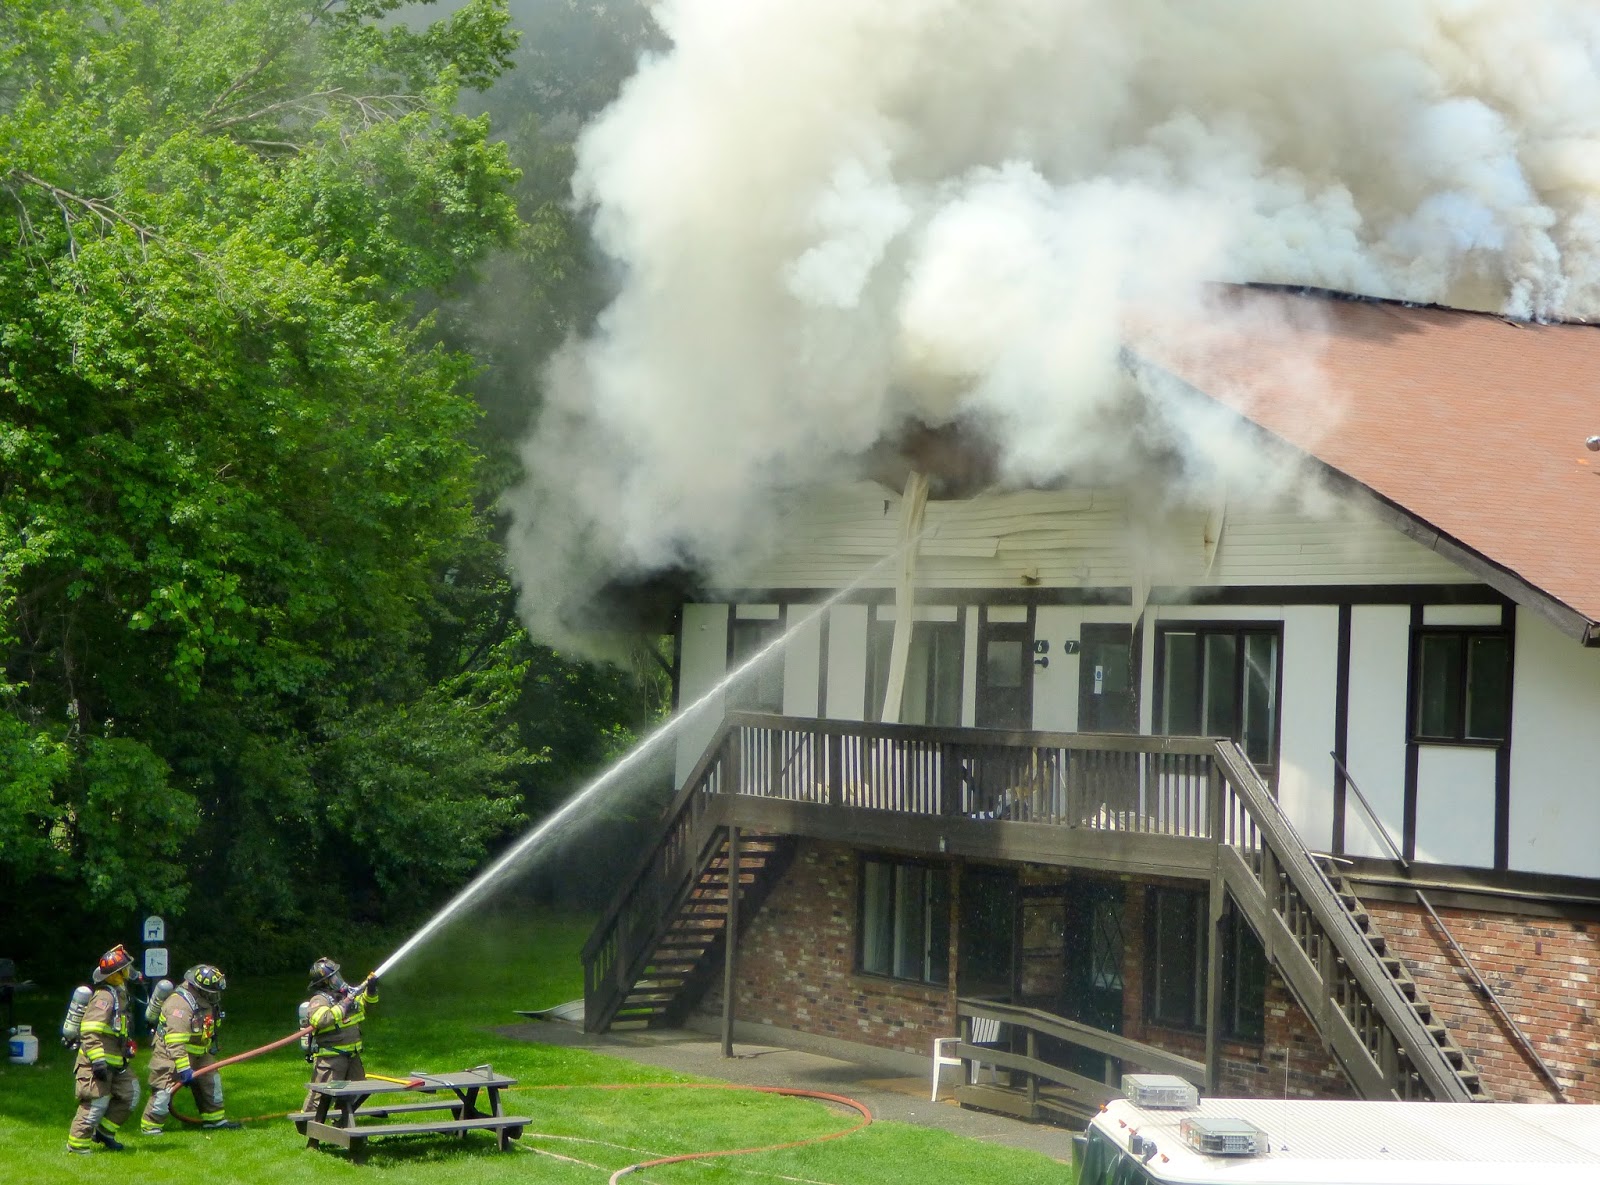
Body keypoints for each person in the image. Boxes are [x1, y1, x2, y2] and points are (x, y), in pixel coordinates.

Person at [141, 964, 242, 1134]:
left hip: (200, 1053)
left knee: (211, 1083)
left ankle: (214, 1120)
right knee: (164, 1091)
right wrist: (184, 1068)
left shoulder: (206, 1000)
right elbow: (174, 1042)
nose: (216, 995)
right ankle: (151, 1126)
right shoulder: (179, 1004)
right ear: (200, 988)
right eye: (212, 991)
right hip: (170, 1055)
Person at [67, 944, 142, 1154]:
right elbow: (90, 1031)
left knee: (130, 1094)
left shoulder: (119, 994)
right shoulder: (105, 998)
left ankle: (104, 1133)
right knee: (95, 1104)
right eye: (126, 968)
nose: (130, 972)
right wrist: (98, 1061)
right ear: (118, 974)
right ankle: (77, 1145)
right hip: (96, 1062)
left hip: (117, 1061)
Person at [299, 957, 379, 1113]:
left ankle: (342, 1122)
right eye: (334, 977)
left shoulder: (345, 995)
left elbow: (365, 1007)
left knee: (357, 1090)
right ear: (325, 982)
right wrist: (344, 1005)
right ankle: (306, 1124)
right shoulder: (319, 999)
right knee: (320, 1096)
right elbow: (320, 1019)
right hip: (331, 1059)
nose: (338, 979)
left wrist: (371, 990)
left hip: (352, 1056)